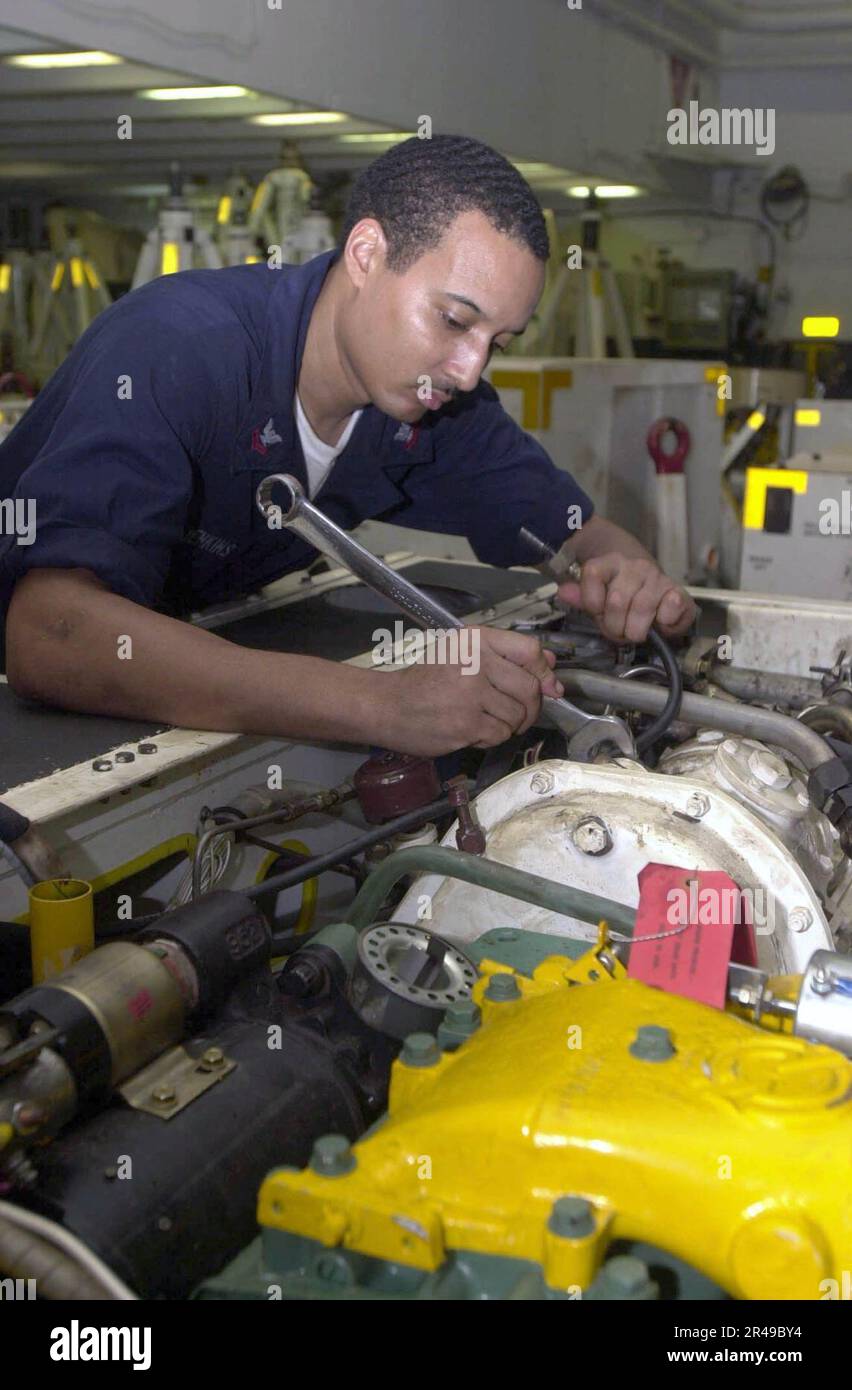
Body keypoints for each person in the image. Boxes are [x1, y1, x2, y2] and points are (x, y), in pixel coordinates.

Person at [0, 135, 695, 757]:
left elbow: (578, 534)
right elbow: (50, 631)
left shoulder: (434, 404)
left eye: (498, 342)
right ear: (367, 253)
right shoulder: (176, 348)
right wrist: (385, 704)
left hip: (157, 670)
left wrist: (624, 571)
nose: (470, 370)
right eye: (454, 320)